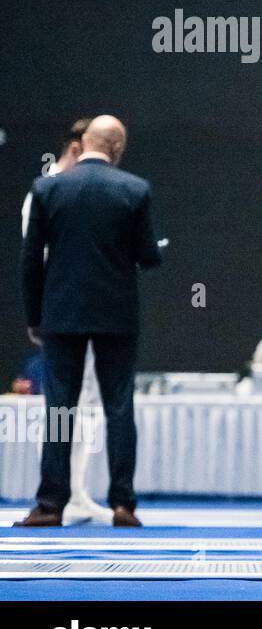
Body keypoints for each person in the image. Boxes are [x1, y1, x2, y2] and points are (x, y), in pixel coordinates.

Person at [17, 115, 163, 528]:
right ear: (117, 148)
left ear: (84, 143)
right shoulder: (134, 190)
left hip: (61, 313)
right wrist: (155, 251)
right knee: (119, 407)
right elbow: (147, 255)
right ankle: (122, 503)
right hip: (116, 313)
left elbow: (30, 261)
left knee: (60, 407)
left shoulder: (48, 188)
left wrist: (34, 316)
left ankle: (50, 504)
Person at [19, 117, 113, 525]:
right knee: (61, 407)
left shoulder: (84, 192)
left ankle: (78, 490)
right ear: (76, 147)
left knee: (90, 405)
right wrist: (37, 315)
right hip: (61, 318)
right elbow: (34, 263)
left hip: (92, 316)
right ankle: (57, 492)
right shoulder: (43, 193)